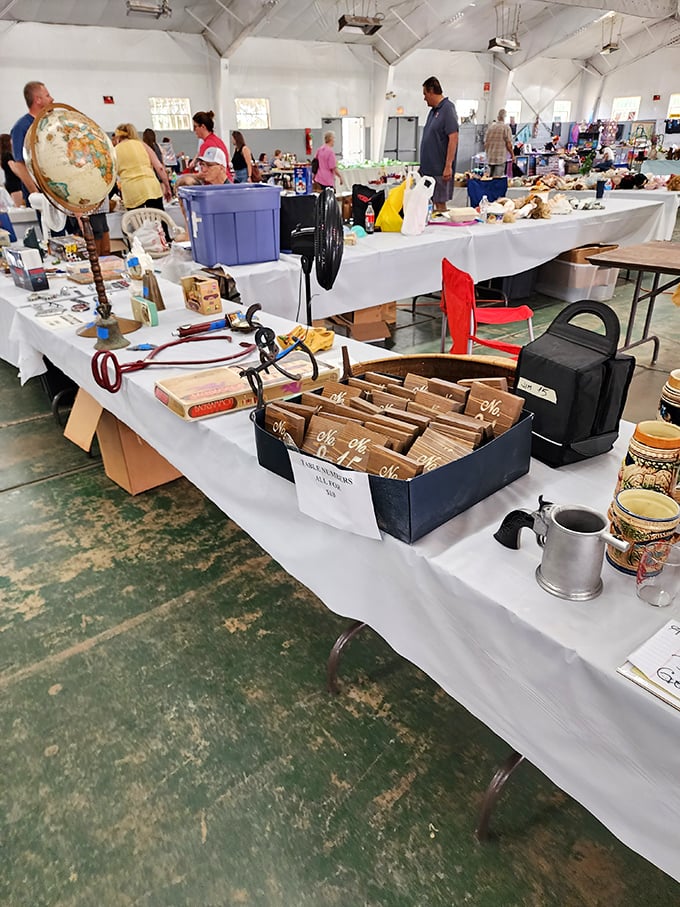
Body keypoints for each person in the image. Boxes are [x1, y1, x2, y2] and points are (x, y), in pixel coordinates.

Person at [113, 123, 172, 213]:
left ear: (118, 136)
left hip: (131, 191)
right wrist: (167, 187)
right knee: (158, 218)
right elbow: (159, 167)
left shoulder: (114, 151)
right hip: (151, 188)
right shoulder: (143, 145)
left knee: (138, 220)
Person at [10, 81, 54, 202]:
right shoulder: (21, 127)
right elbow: (20, 164)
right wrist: (36, 194)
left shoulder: (49, 123)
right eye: (47, 95)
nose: (52, 99)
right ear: (38, 100)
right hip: (42, 196)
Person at [420, 76, 459, 212]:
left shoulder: (447, 109)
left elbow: (453, 138)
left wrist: (448, 166)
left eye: (425, 94)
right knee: (427, 204)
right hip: (428, 169)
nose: (424, 98)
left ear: (431, 91)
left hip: (439, 169)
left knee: (440, 204)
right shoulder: (433, 111)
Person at [192, 111, 232, 180]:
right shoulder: (218, 141)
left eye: (195, 127)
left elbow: (206, 173)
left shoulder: (206, 145)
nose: (194, 130)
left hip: (216, 183)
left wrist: (190, 177)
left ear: (203, 127)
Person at [484, 109, 514, 178]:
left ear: (498, 117)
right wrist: (512, 155)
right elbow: (508, 144)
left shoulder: (490, 127)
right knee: (497, 180)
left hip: (490, 158)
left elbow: (485, 143)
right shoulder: (506, 128)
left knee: (489, 179)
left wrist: (488, 153)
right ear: (505, 117)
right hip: (500, 159)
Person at [0, 133, 23, 206]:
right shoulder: (8, 155)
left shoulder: (2, 156)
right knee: (19, 207)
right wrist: (23, 176)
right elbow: (13, 168)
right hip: (15, 184)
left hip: (10, 183)